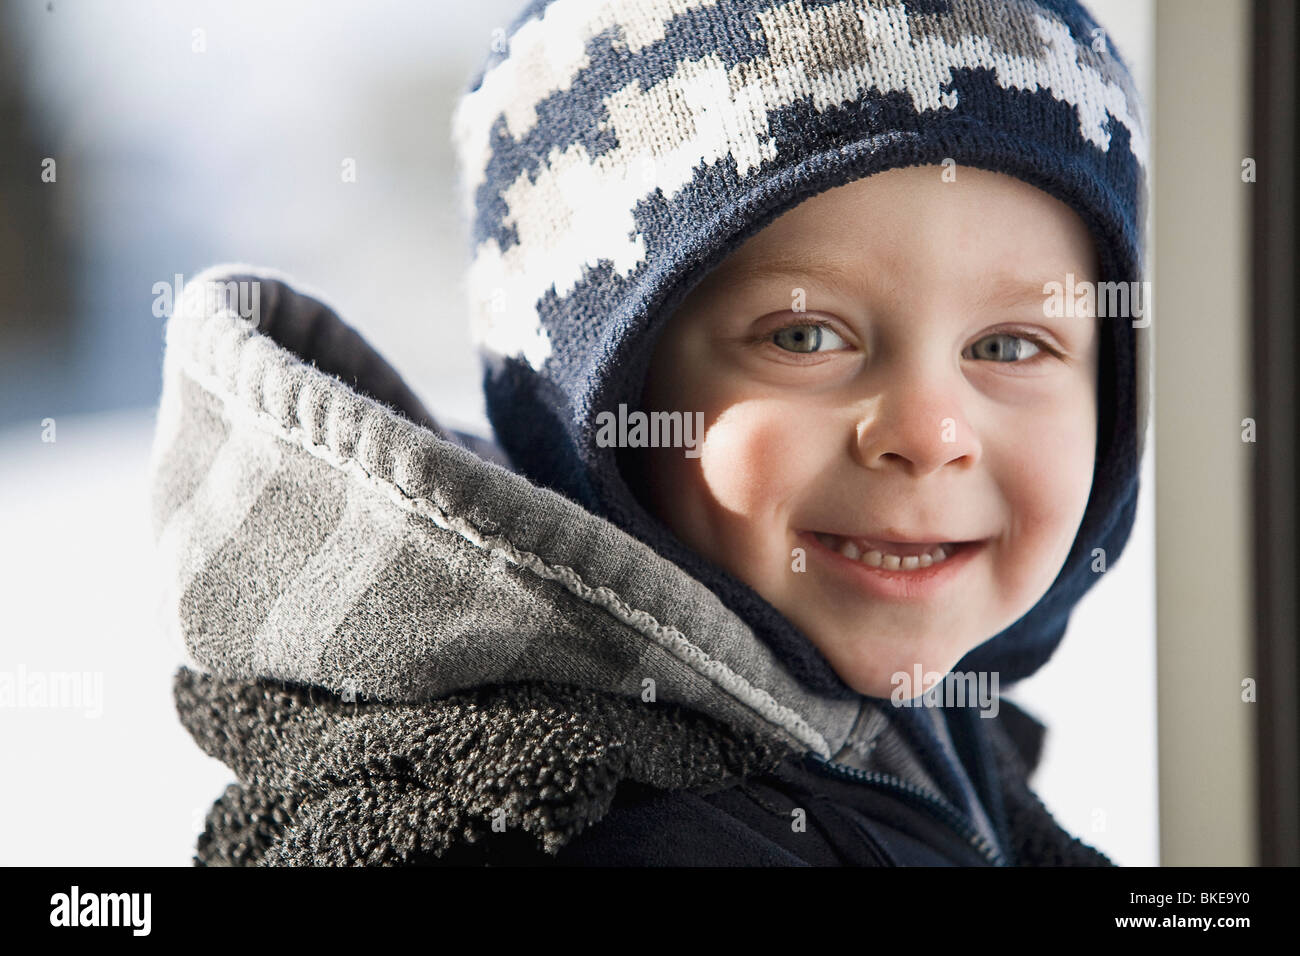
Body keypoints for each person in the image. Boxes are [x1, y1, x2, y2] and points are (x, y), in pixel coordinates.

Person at [159, 0, 1148, 866]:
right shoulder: (570, 825)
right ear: (609, 399)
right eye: (804, 335)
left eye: (1010, 345)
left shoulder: (925, 743)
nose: (930, 434)